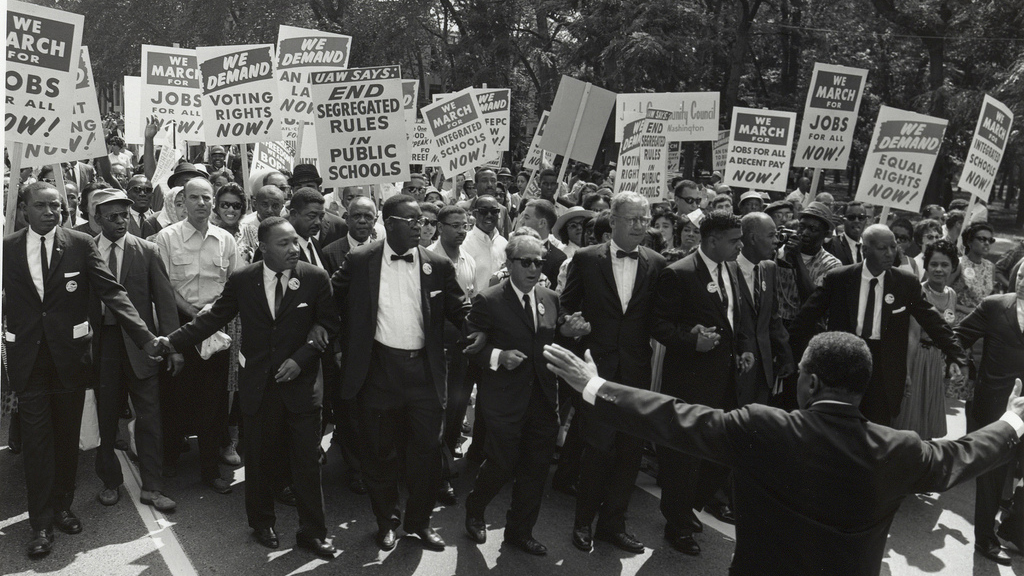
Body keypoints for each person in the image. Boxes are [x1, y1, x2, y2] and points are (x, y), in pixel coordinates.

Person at [541, 333, 1024, 576]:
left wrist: (594, 387)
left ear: (809, 381)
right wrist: (1013, 421)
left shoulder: (763, 427)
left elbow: (673, 416)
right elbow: (964, 454)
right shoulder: (899, 449)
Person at [156, 217, 341, 558]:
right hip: (259, 386)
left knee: (306, 462)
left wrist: (301, 358)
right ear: (264, 248)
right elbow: (212, 318)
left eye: (294, 242)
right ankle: (262, 523)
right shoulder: (243, 279)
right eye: (284, 243)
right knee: (258, 460)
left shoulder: (314, 277)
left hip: (301, 387)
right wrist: (171, 341)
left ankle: (313, 532)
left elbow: (329, 322)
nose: (293, 248)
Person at [4, 182, 159, 558]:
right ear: (24, 209)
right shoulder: (7, 249)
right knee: (38, 446)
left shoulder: (79, 244)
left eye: (56, 206)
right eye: (41, 206)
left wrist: (146, 337)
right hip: (28, 362)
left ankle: (62, 507)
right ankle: (39, 524)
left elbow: (112, 292)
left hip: (70, 362)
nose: (50, 212)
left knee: (66, 439)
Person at [331, 194, 474, 552]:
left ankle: (420, 523)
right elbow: (330, 300)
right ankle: (386, 522)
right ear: (389, 223)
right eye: (412, 222)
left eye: (423, 223)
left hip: (424, 374)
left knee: (426, 453)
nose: (420, 228)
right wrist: (327, 335)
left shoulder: (437, 265)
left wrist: (483, 332)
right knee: (380, 455)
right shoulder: (361, 259)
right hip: (378, 371)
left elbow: (461, 309)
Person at [559, 191, 667, 554]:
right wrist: (569, 326)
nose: (640, 226)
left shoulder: (657, 262)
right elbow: (567, 308)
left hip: (635, 372)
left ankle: (613, 525)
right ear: (614, 221)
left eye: (645, 219)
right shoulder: (588, 260)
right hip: (597, 370)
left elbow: (659, 320)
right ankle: (582, 523)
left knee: (629, 451)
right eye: (633, 219)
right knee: (597, 448)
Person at [652, 209, 756, 555]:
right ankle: (677, 524)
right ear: (712, 240)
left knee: (718, 456)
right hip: (690, 383)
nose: (739, 246)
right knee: (684, 458)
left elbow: (737, 320)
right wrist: (690, 340)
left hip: (726, 383)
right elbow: (659, 325)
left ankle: (686, 507)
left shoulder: (732, 270)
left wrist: (742, 349)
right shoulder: (678, 274)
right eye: (734, 240)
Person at [790, 224, 967, 426]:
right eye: (883, 248)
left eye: (893, 247)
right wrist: (798, 356)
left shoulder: (905, 283)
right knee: (837, 426)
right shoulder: (840, 278)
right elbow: (805, 318)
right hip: (843, 363)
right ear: (865, 250)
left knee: (876, 430)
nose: (890, 253)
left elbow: (932, 319)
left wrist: (957, 355)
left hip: (884, 370)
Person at [463, 234, 561, 555]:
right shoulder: (489, 300)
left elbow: (551, 343)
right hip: (504, 399)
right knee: (502, 465)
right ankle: (475, 508)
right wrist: (497, 357)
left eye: (539, 263)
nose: (534, 269)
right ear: (509, 263)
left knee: (535, 470)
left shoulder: (550, 298)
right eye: (527, 262)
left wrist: (572, 332)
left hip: (543, 400)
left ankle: (519, 531)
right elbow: (471, 348)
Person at [89, 189, 183, 513]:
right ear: (97, 217)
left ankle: (153, 487)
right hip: (103, 345)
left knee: (149, 417)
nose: (120, 222)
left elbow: (165, 302)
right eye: (112, 216)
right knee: (106, 416)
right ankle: (110, 481)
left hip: (143, 346)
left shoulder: (147, 250)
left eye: (124, 215)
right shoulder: (85, 251)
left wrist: (172, 346)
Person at [151, 178, 238, 492]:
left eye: (206, 198)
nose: (202, 203)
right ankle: (170, 460)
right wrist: (193, 314)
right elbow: (162, 289)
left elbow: (233, 286)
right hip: (179, 332)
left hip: (216, 333)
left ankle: (210, 470)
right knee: (175, 399)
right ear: (182, 202)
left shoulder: (226, 240)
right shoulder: (167, 238)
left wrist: (212, 315)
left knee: (213, 406)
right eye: (194, 198)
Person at [956, 273, 1024, 564]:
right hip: (995, 407)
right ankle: (985, 539)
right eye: (1021, 274)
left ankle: (1016, 532)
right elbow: (959, 336)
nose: (1023, 280)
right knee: (992, 476)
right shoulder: (995, 305)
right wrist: (963, 365)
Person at [892, 240, 958, 440]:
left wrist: (953, 360)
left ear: (953, 267)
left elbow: (949, 333)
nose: (939, 269)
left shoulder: (952, 294)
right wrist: (908, 372)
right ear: (926, 266)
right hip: (917, 356)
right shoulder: (919, 292)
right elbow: (912, 334)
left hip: (937, 360)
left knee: (927, 421)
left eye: (945, 265)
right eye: (934, 264)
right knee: (910, 418)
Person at [736, 212, 795, 406]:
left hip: (764, 368)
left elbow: (773, 317)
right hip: (737, 367)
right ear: (752, 238)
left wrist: (785, 354)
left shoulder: (769, 268)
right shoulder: (727, 269)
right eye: (771, 235)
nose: (777, 241)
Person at [951, 221, 996, 322]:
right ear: (969, 241)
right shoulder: (959, 264)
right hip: (959, 320)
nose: (987, 243)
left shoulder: (990, 267)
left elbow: (989, 297)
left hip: (982, 321)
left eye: (990, 240)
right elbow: (941, 295)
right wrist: (966, 309)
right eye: (982, 239)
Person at [518, 199, 567, 289]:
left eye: (526, 217)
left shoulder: (557, 259)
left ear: (542, 223)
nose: (521, 221)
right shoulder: (514, 249)